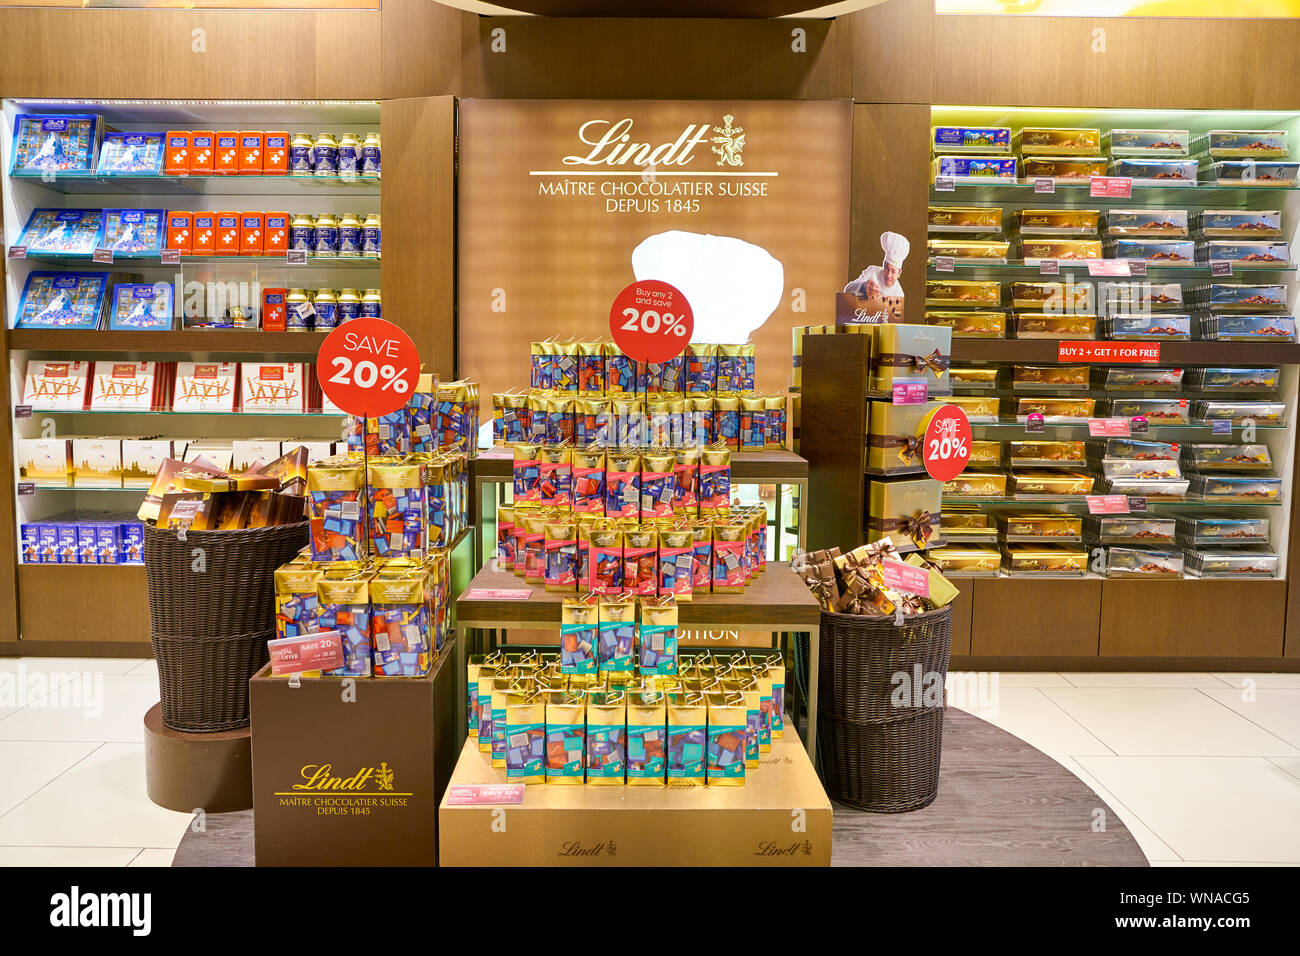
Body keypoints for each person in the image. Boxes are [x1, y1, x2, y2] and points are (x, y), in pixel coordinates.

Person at [843, 231, 911, 298]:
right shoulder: (872, 271)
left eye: (893, 271)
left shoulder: (899, 294)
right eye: (887, 268)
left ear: (899, 273)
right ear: (883, 265)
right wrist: (863, 287)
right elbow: (847, 289)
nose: (888, 275)